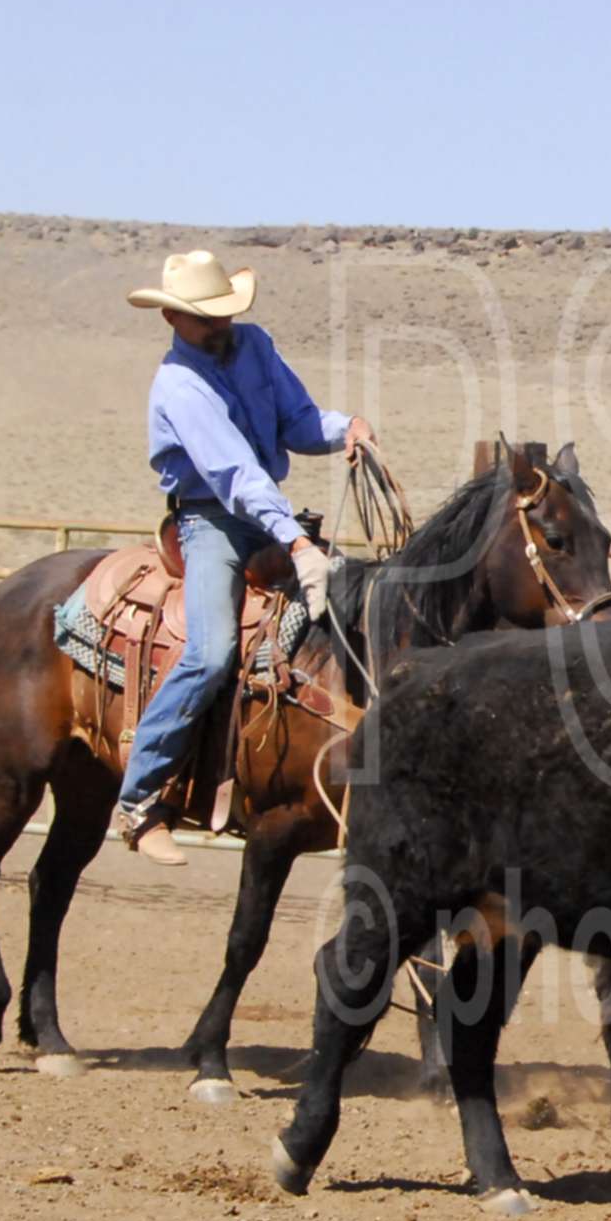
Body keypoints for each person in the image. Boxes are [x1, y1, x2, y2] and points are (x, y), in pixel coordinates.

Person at [114, 249, 372, 866]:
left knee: (356, 609)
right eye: (205, 317)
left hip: (267, 514)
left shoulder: (254, 345)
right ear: (172, 319)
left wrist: (346, 428)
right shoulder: (179, 385)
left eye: (222, 313)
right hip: (212, 521)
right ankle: (140, 798)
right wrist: (297, 542)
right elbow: (234, 474)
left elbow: (298, 421)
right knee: (211, 653)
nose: (219, 325)